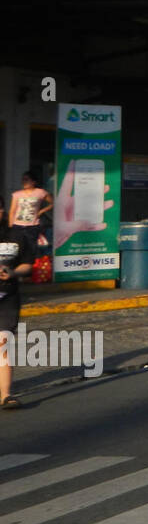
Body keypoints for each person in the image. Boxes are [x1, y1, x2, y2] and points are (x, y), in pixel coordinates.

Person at [0, 222, 35, 409]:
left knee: (3, 343)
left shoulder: (16, 236)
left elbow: (28, 265)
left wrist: (12, 272)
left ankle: (6, 395)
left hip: (7, 298)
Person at [8, 172, 51, 252]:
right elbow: (12, 211)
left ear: (33, 182)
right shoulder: (17, 194)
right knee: (17, 249)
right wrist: (11, 226)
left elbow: (53, 202)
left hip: (32, 226)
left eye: (26, 179)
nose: (24, 181)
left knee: (30, 250)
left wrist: (42, 211)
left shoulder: (40, 192)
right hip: (17, 226)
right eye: (23, 179)